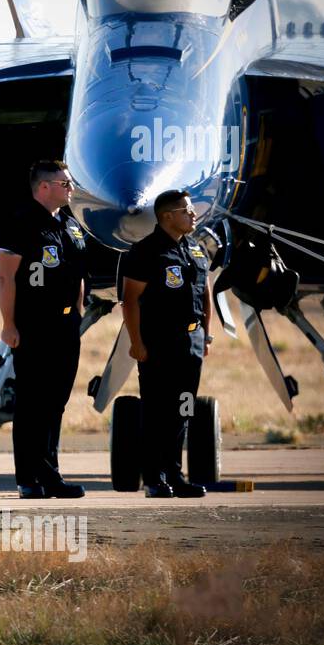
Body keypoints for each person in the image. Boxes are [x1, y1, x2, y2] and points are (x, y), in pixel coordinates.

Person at [0, 160, 87, 499]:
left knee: (56, 403)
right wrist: (8, 324)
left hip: (66, 325)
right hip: (34, 324)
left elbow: (78, 274)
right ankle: (30, 478)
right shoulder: (21, 222)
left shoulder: (69, 224)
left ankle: (50, 472)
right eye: (64, 183)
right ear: (44, 187)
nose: (70, 188)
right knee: (33, 402)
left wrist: (77, 316)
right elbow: (6, 277)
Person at [122, 189, 211, 498]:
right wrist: (137, 343)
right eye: (187, 211)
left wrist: (206, 334)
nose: (193, 214)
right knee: (157, 412)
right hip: (160, 342)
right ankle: (154, 479)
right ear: (167, 216)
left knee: (182, 411)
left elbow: (204, 292)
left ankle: (175, 473)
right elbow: (130, 300)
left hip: (192, 342)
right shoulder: (146, 252)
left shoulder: (195, 250)